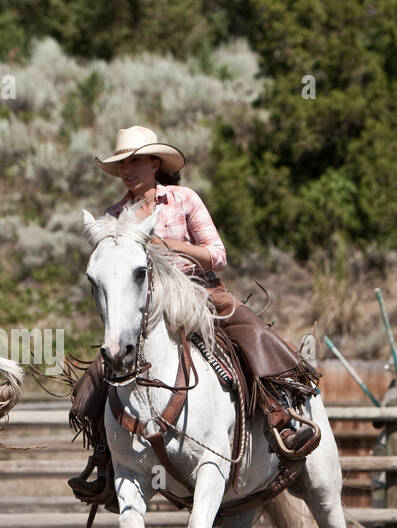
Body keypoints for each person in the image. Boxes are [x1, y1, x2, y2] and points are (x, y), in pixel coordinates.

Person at [68, 126, 320, 506]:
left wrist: (166, 245)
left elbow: (217, 255)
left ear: (156, 163)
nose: (127, 170)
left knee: (248, 329)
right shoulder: (115, 216)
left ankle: (279, 417)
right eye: (122, 163)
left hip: (199, 294)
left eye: (135, 160)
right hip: (146, 309)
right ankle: (106, 459)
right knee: (98, 375)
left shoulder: (183, 200)